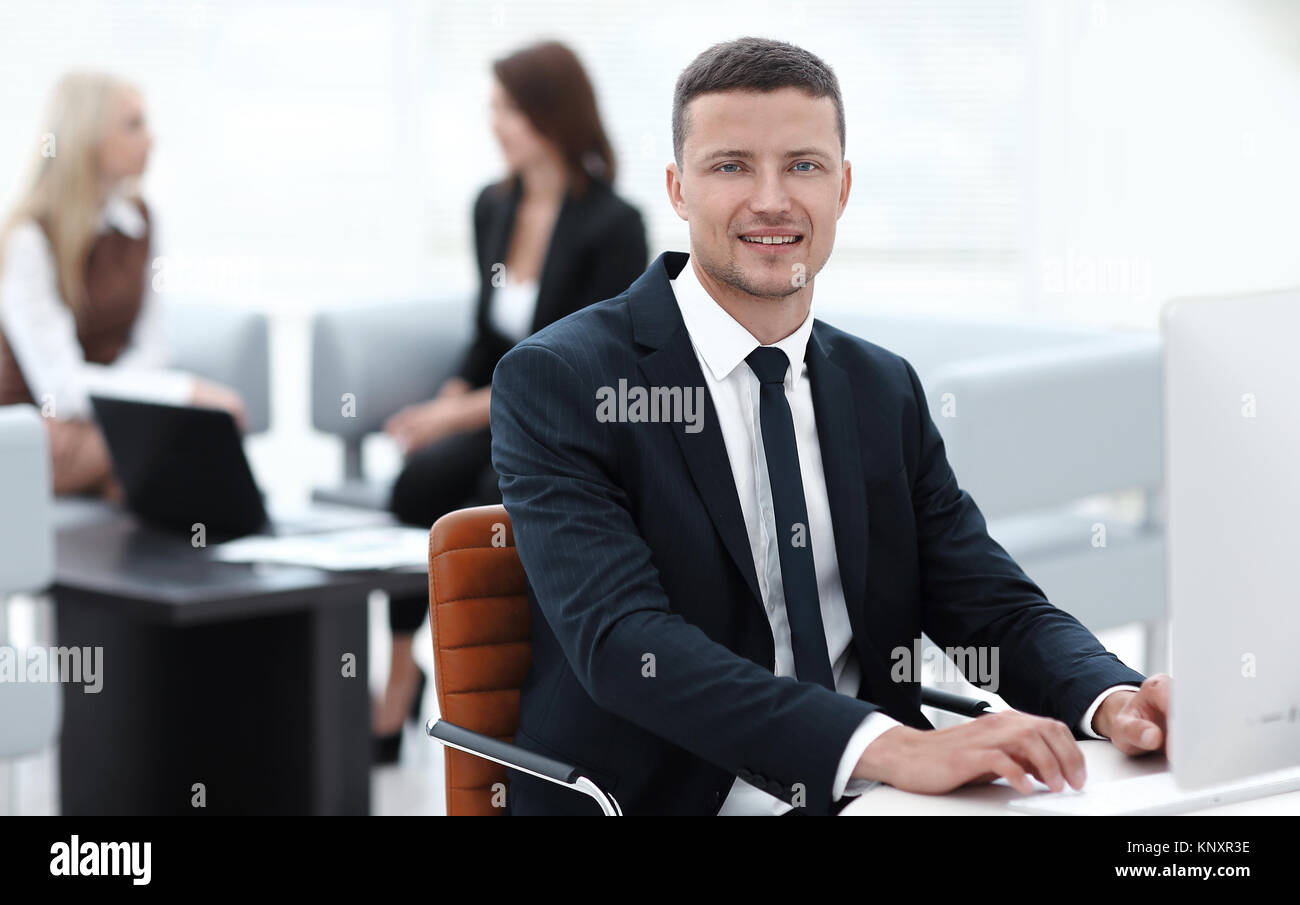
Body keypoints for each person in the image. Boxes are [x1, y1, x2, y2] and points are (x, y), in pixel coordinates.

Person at [489, 37, 1173, 815]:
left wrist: (1117, 700)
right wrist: (891, 746)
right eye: (731, 165)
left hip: (874, 795)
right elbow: (625, 642)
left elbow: (991, 603)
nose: (773, 200)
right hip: (670, 794)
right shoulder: (566, 379)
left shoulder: (881, 387)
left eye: (804, 166)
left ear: (842, 188)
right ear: (679, 190)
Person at [375, 42, 648, 761]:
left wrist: (453, 415)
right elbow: (486, 335)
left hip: (566, 417)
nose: (496, 124)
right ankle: (403, 671)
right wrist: (445, 402)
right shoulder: (493, 207)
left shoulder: (612, 224)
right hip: (496, 405)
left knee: (492, 493)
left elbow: (578, 364)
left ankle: (500, 701)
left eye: (510, 110)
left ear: (552, 115)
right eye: (494, 108)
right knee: (419, 480)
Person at [0, 72, 245, 497]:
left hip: (84, 423)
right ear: (88, 138)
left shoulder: (142, 221)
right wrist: (183, 394)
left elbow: (153, 348)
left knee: (167, 451)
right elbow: (57, 385)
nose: (150, 139)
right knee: (192, 433)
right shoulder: (28, 237)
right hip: (28, 427)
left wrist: (112, 412)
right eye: (133, 125)